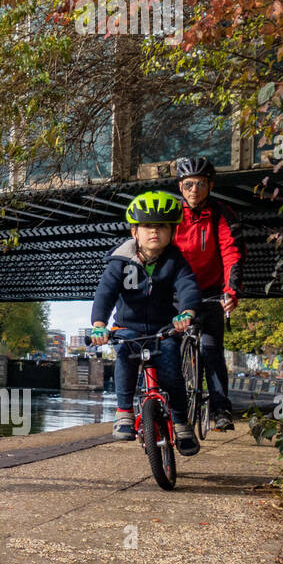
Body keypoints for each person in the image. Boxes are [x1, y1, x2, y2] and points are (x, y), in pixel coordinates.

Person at [89, 191, 202, 455]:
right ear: (134, 232)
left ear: (172, 232)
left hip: (164, 328)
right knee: (125, 356)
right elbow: (105, 293)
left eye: (162, 226)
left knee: (172, 372)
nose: (155, 232)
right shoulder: (120, 262)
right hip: (129, 327)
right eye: (148, 226)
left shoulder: (175, 260)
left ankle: (181, 422)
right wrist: (98, 324)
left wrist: (186, 312)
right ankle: (124, 412)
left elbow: (187, 286)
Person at [173, 156, 244, 430]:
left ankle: (220, 410)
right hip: (178, 292)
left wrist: (231, 291)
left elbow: (232, 252)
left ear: (210, 185)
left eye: (200, 184)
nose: (194, 190)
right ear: (181, 186)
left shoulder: (221, 213)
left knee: (211, 349)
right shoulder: (172, 214)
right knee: (172, 348)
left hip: (211, 290)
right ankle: (174, 405)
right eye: (188, 184)